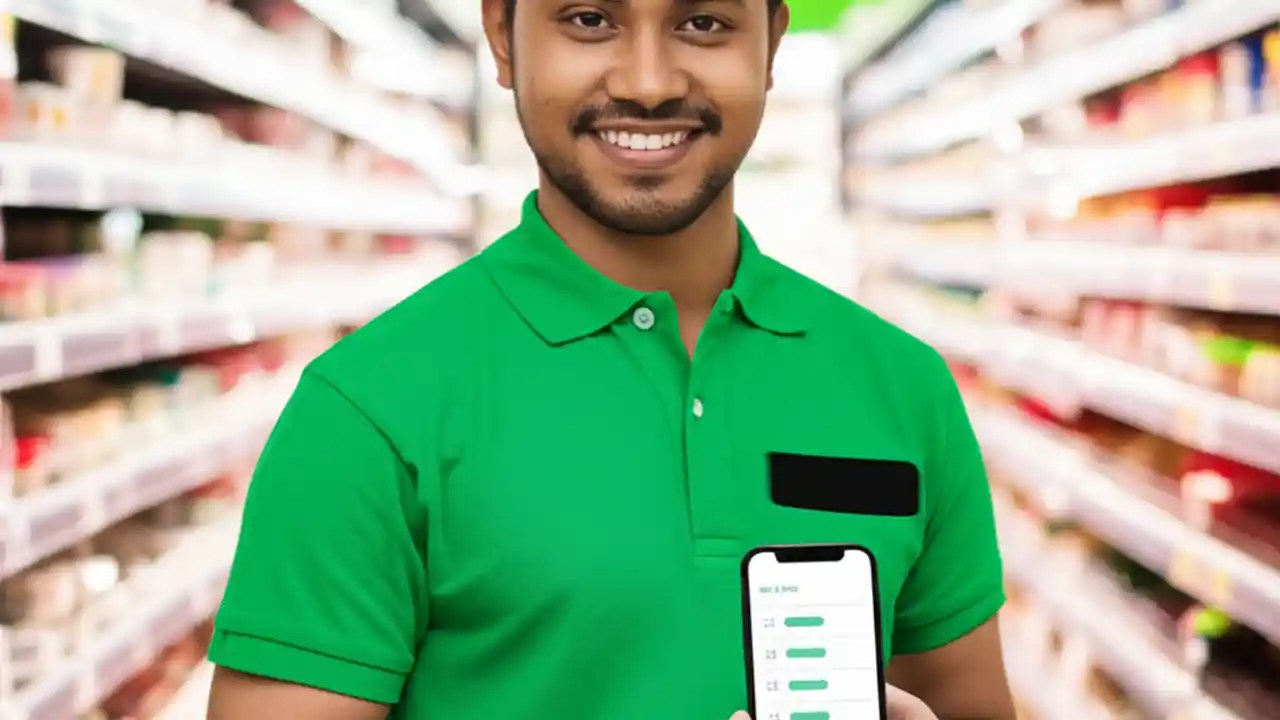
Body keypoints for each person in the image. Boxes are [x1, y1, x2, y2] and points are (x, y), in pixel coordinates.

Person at [205, 0, 1017, 718]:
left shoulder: (904, 388)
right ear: (503, 37)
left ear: (771, 43)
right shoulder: (366, 413)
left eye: (703, 22)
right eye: (589, 19)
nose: (649, 82)